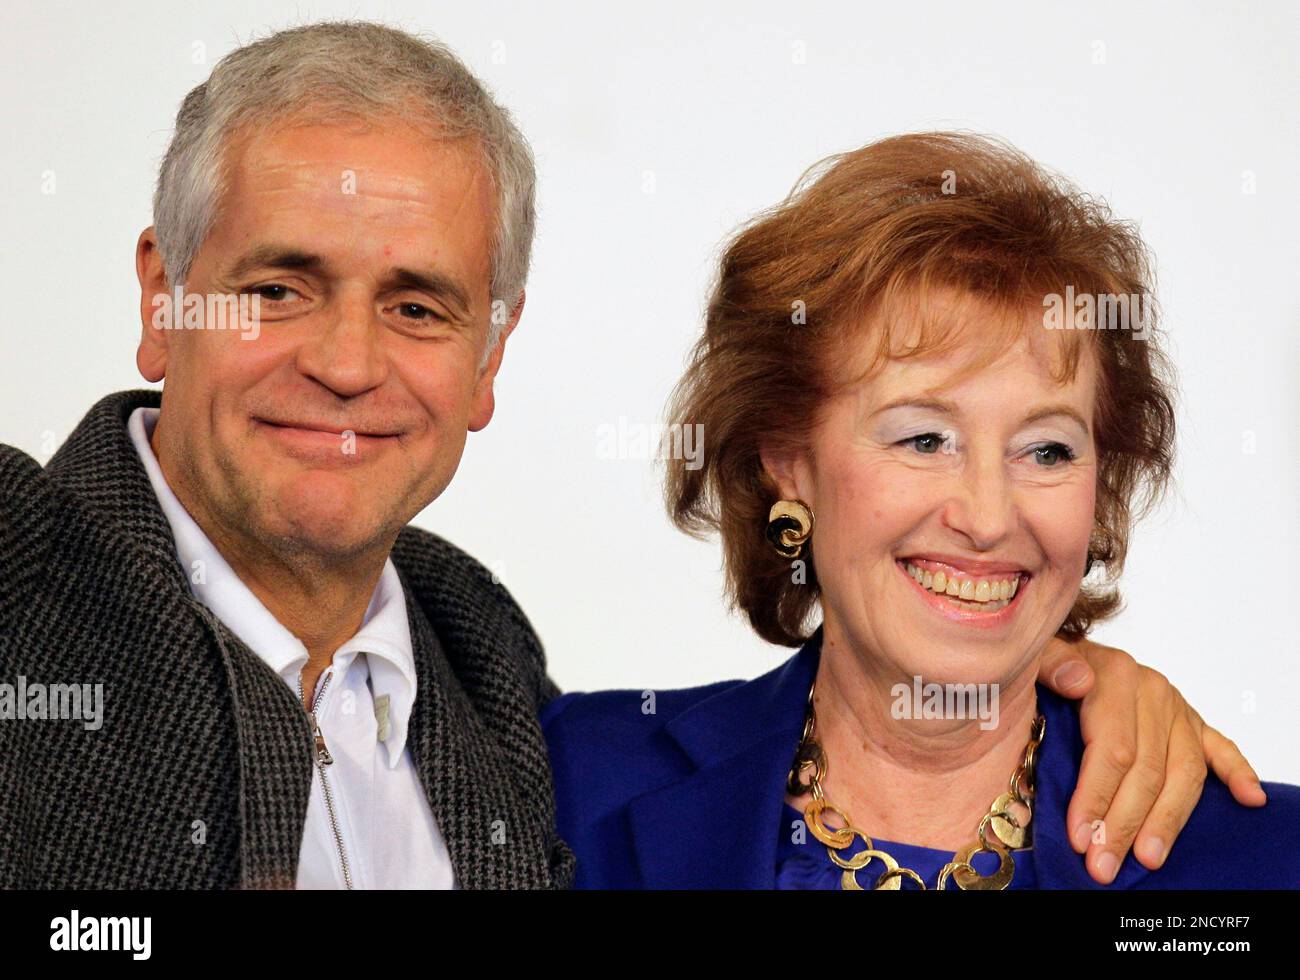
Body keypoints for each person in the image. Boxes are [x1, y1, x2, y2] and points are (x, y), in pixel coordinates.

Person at [0, 22, 1267, 889]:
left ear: (492, 353)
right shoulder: (21, 580)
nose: (347, 360)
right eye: (279, 286)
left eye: (420, 305)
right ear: (165, 300)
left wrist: (1062, 667)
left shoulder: (492, 685)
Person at [542, 132, 1300, 889]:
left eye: (1046, 451)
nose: (987, 516)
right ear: (789, 462)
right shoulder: (573, 779)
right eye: (925, 438)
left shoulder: (1269, 857)